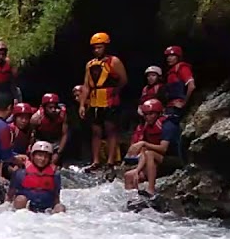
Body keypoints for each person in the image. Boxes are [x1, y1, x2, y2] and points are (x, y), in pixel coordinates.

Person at [79, 33, 128, 169]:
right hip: (95, 100)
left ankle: (110, 161)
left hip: (109, 99)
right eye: (95, 48)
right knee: (96, 131)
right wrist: (82, 104)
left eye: (99, 47)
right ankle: (96, 160)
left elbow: (123, 80)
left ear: (106, 47)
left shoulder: (114, 61)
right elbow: (86, 85)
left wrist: (115, 92)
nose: (97, 50)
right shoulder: (90, 64)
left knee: (110, 129)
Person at [123, 98, 177, 196]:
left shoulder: (167, 125)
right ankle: (133, 200)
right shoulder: (148, 127)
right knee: (129, 176)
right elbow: (144, 151)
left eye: (151, 114)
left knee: (150, 153)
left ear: (158, 113)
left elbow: (163, 149)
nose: (148, 117)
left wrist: (144, 143)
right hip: (156, 162)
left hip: (172, 160)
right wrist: (138, 170)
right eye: (146, 114)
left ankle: (151, 190)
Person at [9, 141, 66, 214]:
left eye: (46, 156)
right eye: (39, 155)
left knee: (60, 207)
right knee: (20, 199)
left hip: (46, 208)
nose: (42, 159)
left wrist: (56, 207)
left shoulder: (55, 174)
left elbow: (56, 196)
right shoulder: (21, 173)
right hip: (27, 207)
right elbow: (10, 194)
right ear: (33, 156)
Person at [32, 94, 70, 165]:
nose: (53, 110)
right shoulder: (36, 117)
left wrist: (58, 153)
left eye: (55, 107)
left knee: (55, 163)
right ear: (44, 107)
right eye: (50, 107)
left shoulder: (62, 114)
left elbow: (64, 134)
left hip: (56, 141)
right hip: (41, 140)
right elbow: (31, 135)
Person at [163, 45, 196, 118]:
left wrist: (184, 102)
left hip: (177, 108)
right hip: (170, 106)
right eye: (168, 56)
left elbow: (191, 86)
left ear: (178, 57)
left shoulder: (182, 68)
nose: (169, 58)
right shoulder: (171, 72)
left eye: (172, 56)